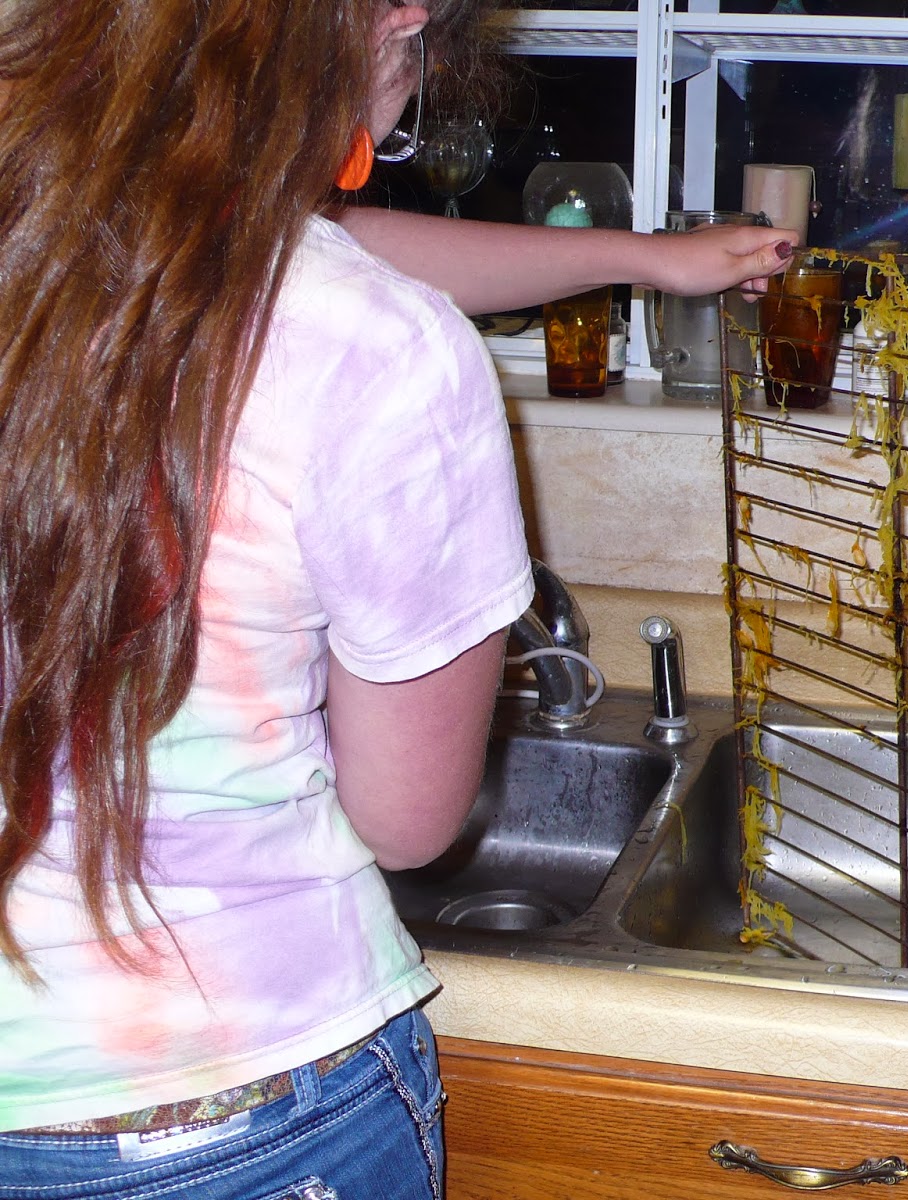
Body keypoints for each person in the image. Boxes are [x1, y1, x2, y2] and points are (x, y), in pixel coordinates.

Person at [0, 1, 793, 1195]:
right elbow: (407, 820)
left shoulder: (47, 241)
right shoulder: (381, 348)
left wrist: (642, 256)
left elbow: (313, 250)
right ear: (388, 23)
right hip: (227, 1109)